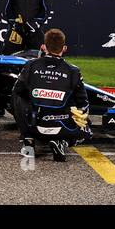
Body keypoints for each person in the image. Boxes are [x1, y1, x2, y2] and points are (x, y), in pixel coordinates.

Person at [11, 28, 90, 163]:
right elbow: (83, 102)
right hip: (63, 125)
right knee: (85, 120)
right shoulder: (74, 71)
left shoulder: (30, 65)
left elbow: (18, 91)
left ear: (43, 47)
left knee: (17, 94)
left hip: (34, 124)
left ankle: (28, 138)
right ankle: (61, 141)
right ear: (64, 48)